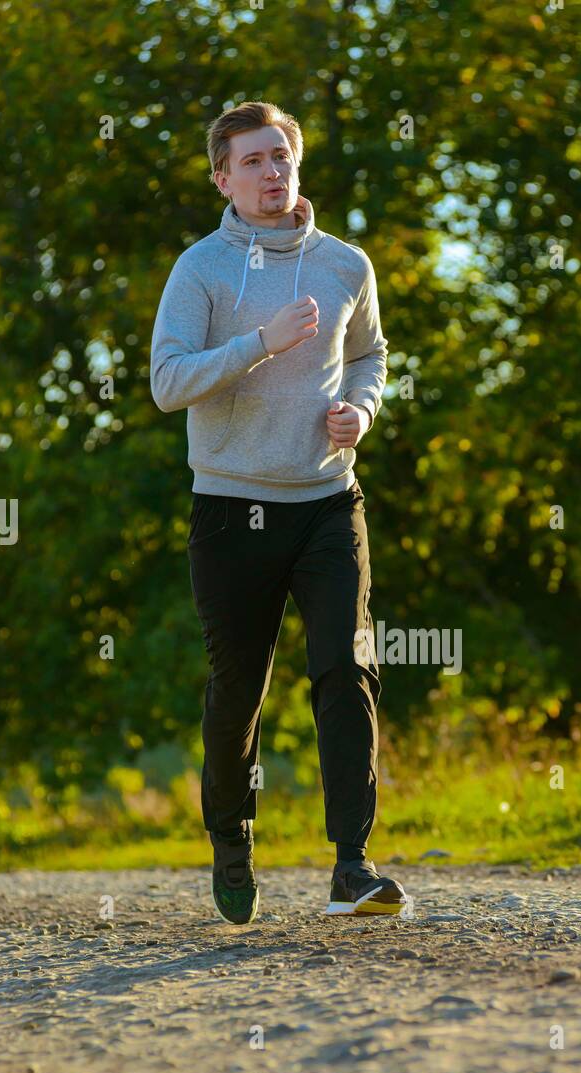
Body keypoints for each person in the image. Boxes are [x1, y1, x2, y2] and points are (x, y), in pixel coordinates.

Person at [150, 100, 406, 924]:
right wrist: (259, 342)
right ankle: (232, 837)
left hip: (329, 498)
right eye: (253, 161)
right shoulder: (200, 271)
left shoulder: (345, 265)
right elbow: (167, 383)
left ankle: (352, 866)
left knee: (345, 666)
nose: (271, 173)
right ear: (222, 177)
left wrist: (360, 413)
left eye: (281, 157)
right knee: (240, 687)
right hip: (231, 507)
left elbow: (368, 355)